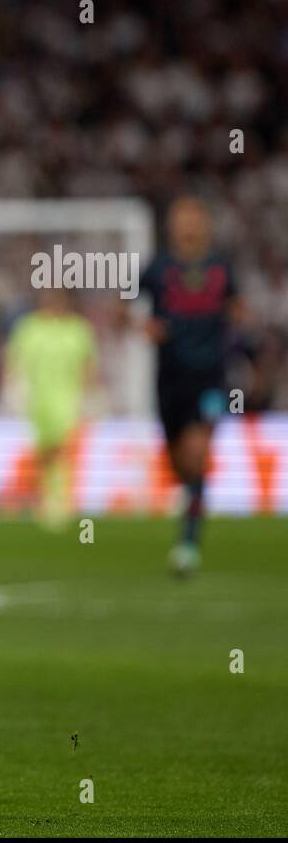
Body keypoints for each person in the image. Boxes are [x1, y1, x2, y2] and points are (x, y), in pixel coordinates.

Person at [140, 196, 241, 575]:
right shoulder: (159, 267)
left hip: (211, 378)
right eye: (181, 217)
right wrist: (145, 327)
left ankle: (188, 544)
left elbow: (237, 305)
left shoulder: (220, 267)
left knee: (198, 453)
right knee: (179, 463)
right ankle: (192, 500)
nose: (188, 225)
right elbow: (125, 304)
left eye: (194, 217)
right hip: (170, 380)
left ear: (205, 223)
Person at [5, 287, 97, 528]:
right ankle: (46, 499)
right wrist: (12, 387)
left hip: (67, 398)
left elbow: (88, 365)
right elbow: (14, 359)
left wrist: (90, 394)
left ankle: (58, 503)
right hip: (37, 398)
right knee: (44, 451)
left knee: (60, 447)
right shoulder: (29, 327)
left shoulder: (78, 329)